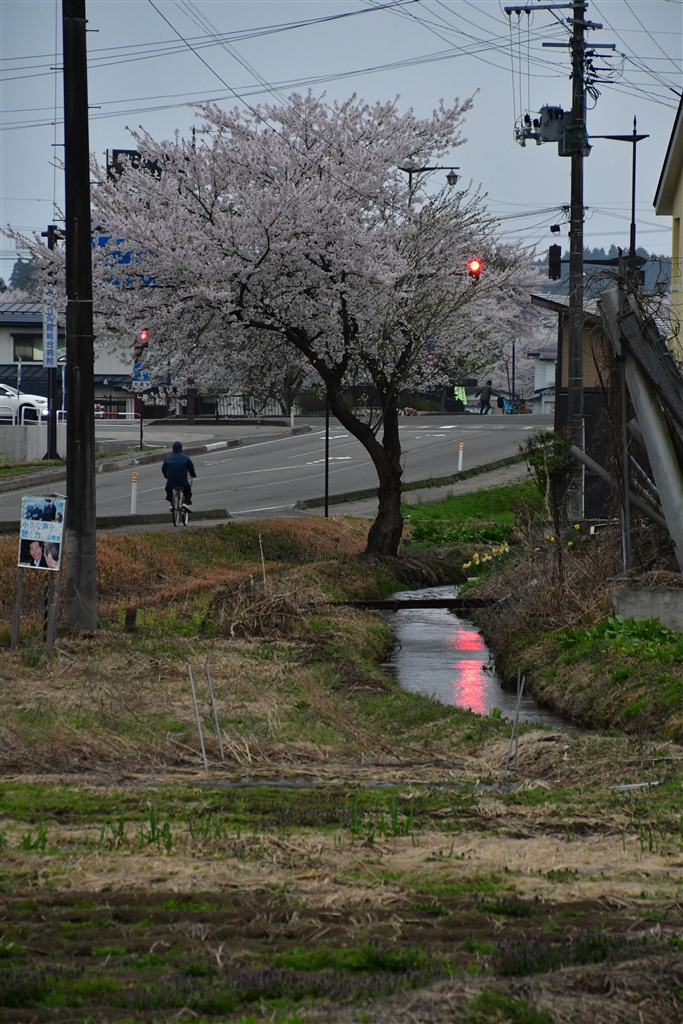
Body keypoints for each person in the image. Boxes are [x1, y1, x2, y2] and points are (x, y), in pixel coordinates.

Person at [162, 441, 196, 511]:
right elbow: (191, 468)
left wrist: (166, 476)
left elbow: (163, 469)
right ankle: (185, 503)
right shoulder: (186, 458)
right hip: (182, 481)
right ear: (181, 449)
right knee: (188, 492)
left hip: (171, 481)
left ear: (173, 449)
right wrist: (193, 475)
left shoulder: (168, 458)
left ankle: (172, 503)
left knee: (168, 489)